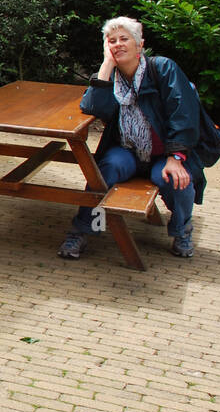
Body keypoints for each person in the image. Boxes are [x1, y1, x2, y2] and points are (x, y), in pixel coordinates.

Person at [58, 16, 205, 260]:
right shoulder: (111, 78)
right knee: (104, 170)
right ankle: (83, 230)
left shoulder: (163, 69)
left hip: (164, 153)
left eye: (124, 39)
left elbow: (185, 114)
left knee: (175, 178)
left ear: (140, 44)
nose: (118, 44)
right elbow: (93, 106)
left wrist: (176, 157)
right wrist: (107, 63)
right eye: (112, 41)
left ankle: (181, 231)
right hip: (127, 151)